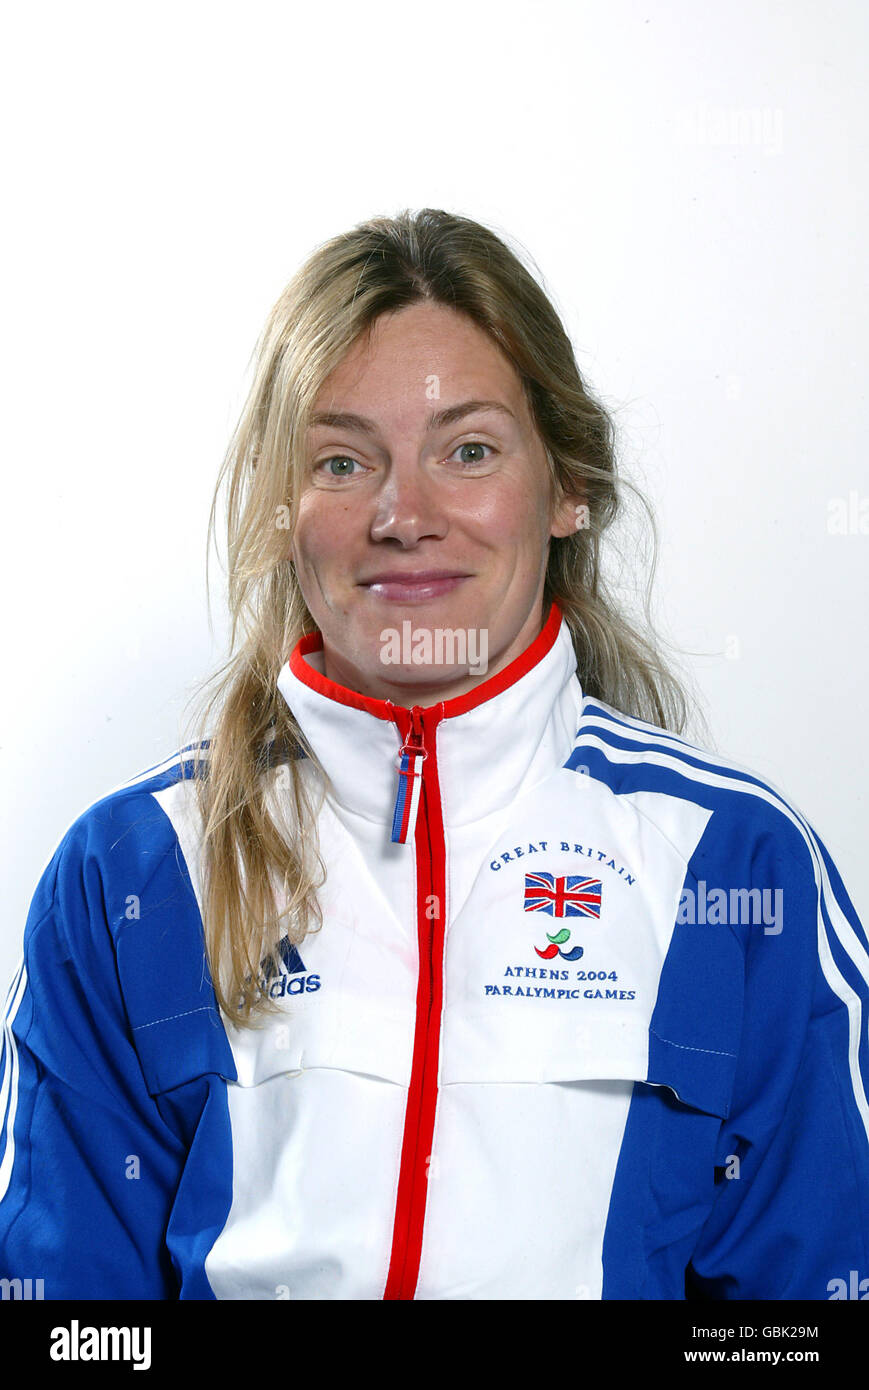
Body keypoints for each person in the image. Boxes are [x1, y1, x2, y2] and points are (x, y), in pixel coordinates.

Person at [1, 208, 867, 1302]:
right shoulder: (131, 872)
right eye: (342, 460)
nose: (403, 515)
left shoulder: (734, 864)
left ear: (567, 488)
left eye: (467, 451)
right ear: (282, 512)